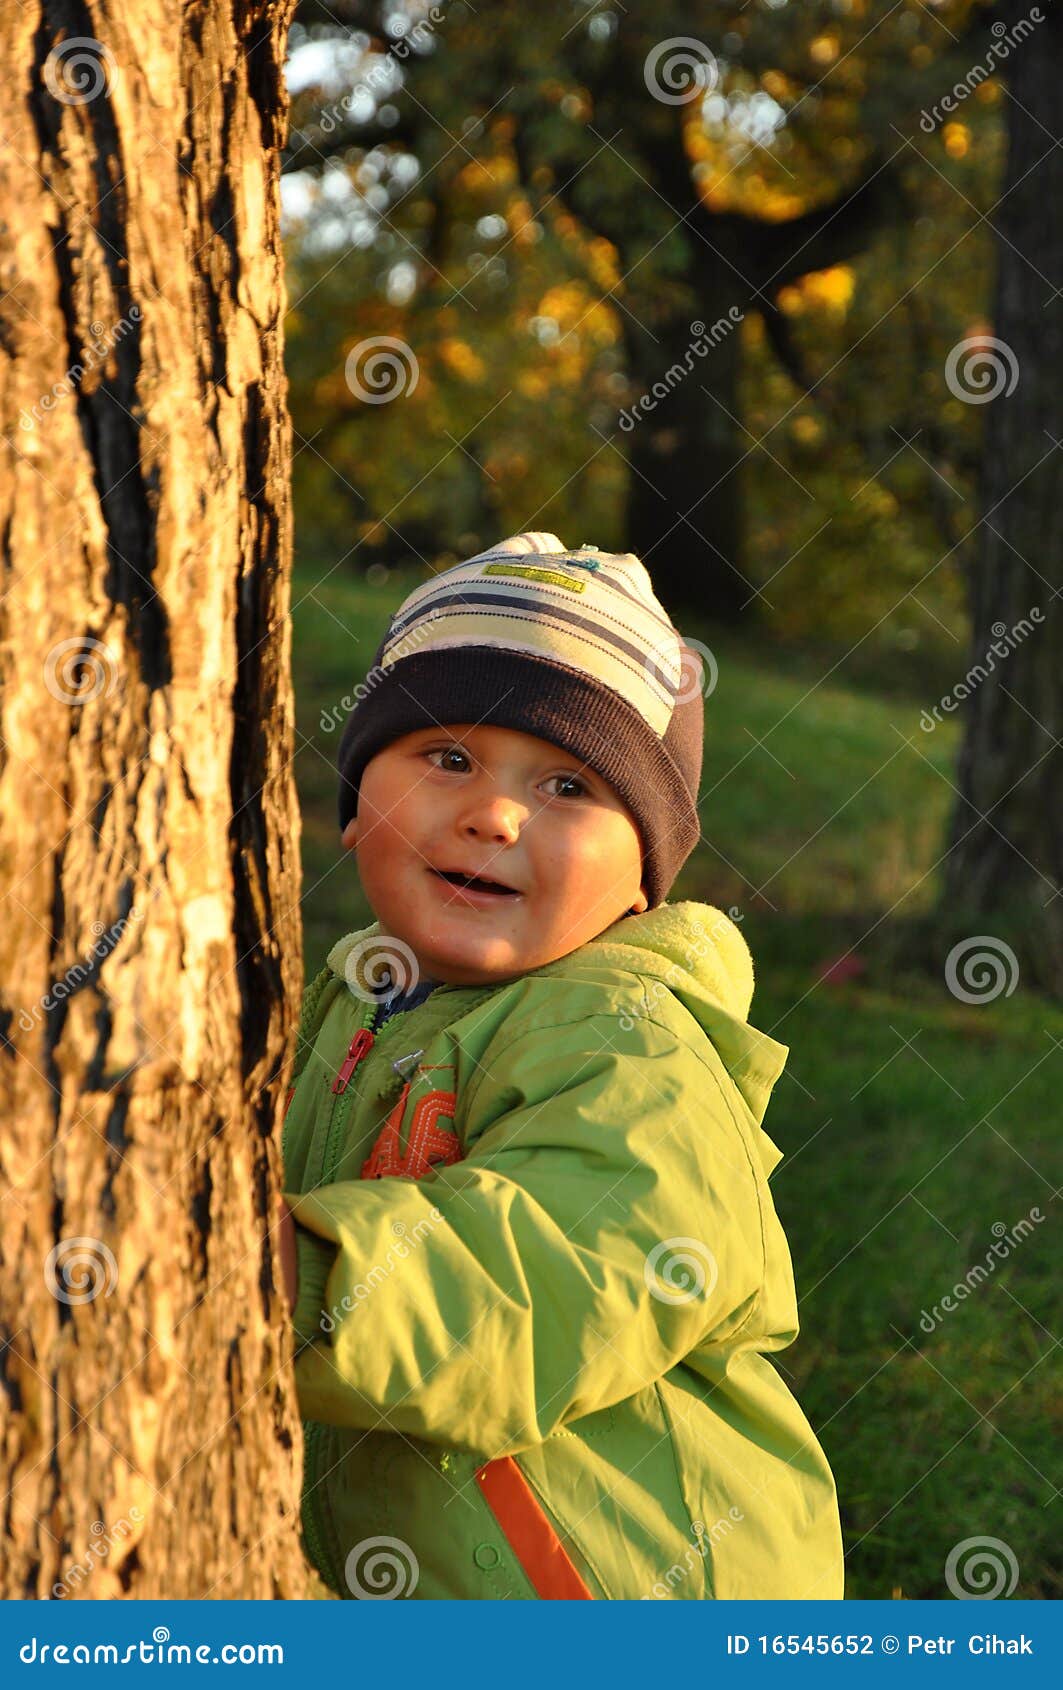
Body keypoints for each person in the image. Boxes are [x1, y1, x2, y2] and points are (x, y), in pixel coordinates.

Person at [277, 531, 844, 1601]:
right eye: (447, 758)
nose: (493, 812)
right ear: (354, 804)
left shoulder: (632, 1046)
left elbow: (544, 1277)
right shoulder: (346, 1002)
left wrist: (284, 1283)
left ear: (645, 877)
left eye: (568, 785)